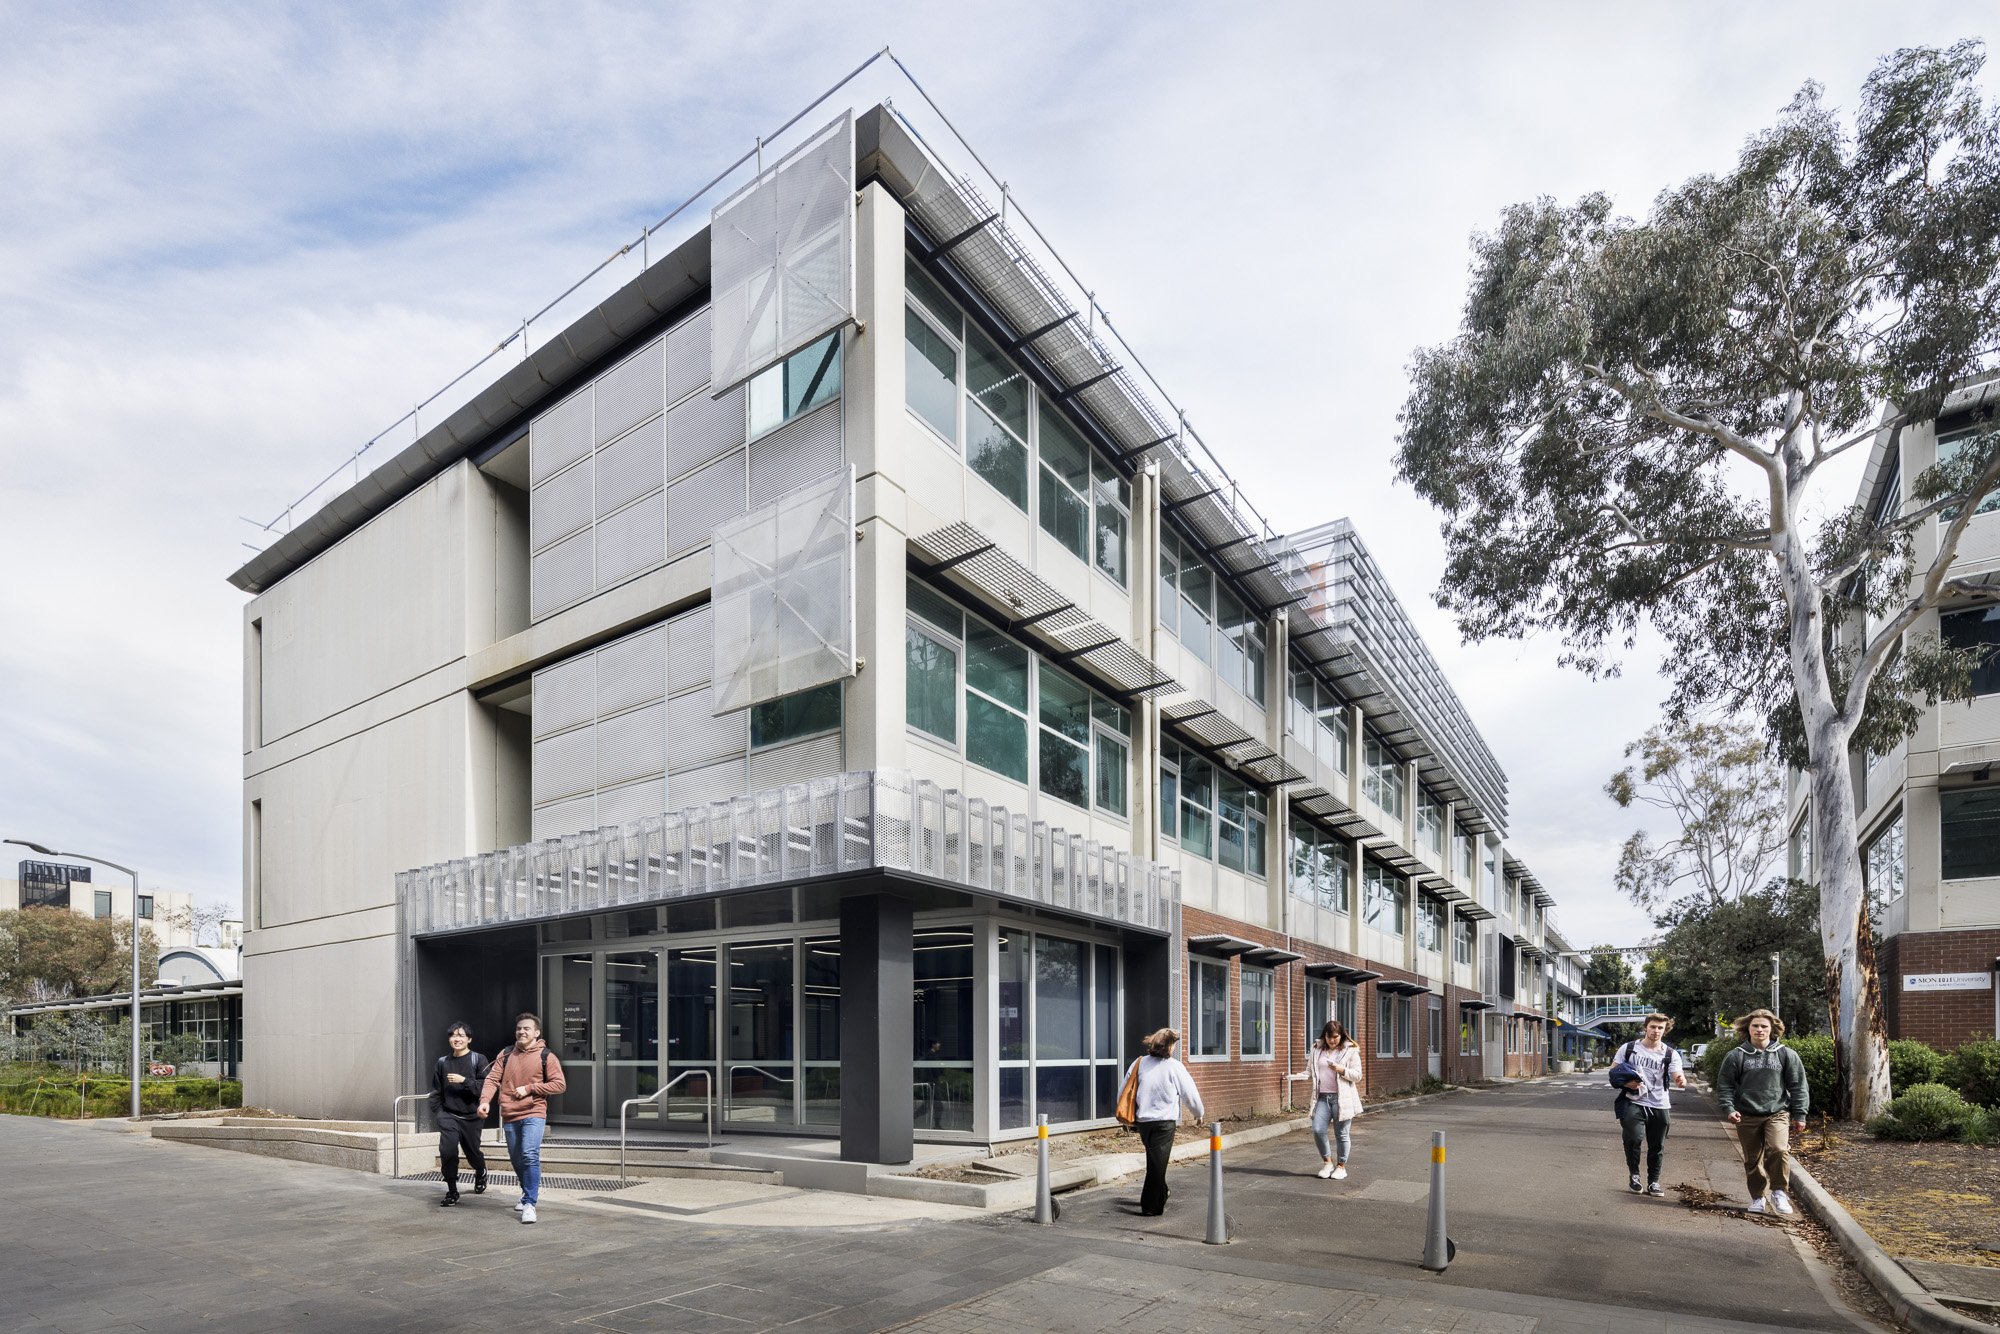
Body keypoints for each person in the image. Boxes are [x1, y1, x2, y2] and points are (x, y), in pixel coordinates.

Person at [1714, 1008, 1808, 1215]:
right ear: (1747, 1028)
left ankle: (1779, 1192)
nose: (1759, 1029)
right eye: (1755, 1025)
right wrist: (1729, 1109)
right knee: (1752, 1159)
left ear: (1772, 1029)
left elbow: (1798, 1086)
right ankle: (1758, 1197)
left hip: (1777, 1112)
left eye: (1764, 1026)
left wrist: (1800, 1114)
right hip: (1746, 1114)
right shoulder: (1736, 1056)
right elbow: (1725, 1086)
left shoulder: (1786, 1054)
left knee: (1779, 1149)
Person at [478, 1013, 566, 1225]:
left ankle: (529, 1204)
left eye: (527, 1028)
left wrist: (530, 1088)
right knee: (517, 1158)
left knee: (529, 1154)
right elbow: (492, 1079)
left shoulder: (547, 1056)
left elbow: (559, 1084)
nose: (522, 1032)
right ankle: (527, 1192)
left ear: (537, 1033)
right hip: (510, 1113)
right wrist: (485, 1101)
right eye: (519, 1028)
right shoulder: (506, 1053)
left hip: (534, 1112)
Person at [1126, 1027, 1204, 1217]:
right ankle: (1150, 1206)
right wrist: (1198, 1113)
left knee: (1155, 1161)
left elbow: (1125, 1089)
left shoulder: (1139, 1063)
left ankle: (1163, 1192)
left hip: (1144, 1123)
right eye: (1174, 1045)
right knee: (1157, 1164)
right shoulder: (1174, 1066)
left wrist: (1126, 1115)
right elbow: (1190, 1093)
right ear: (1169, 1046)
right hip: (1164, 1123)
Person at [1614, 1012, 1686, 1196]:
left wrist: (1680, 1080)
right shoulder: (1629, 1048)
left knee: (1657, 1145)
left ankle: (1654, 1181)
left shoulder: (1670, 1054)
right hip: (1633, 1101)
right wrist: (1626, 1084)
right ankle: (1634, 1175)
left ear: (1665, 1030)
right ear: (1645, 1027)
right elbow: (1612, 1072)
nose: (1656, 1031)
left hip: (1659, 1104)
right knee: (1633, 1138)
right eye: (1653, 1027)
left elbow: (1677, 1074)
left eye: (1660, 1028)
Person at [428, 1021, 489, 1207]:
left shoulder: (478, 1060)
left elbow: (485, 1088)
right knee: (447, 1151)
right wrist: (439, 1113)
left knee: (472, 1153)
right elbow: (436, 1092)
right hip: (449, 1115)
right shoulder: (442, 1062)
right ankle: (452, 1190)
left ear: (469, 1039)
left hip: (472, 1117)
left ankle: (480, 1170)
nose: (457, 1039)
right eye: (453, 1035)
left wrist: (464, 1081)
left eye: (461, 1035)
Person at [1305, 1019, 1363, 1180]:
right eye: (1329, 1037)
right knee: (1317, 1130)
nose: (1332, 1040)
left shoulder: (1350, 1051)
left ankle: (1341, 1166)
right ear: (1324, 1035)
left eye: (1335, 1037)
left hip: (1341, 1098)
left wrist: (1341, 1069)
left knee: (1341, 1134)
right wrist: (1300, 1075)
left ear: (1341, 1036)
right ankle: (1327, 1163)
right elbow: (1309, 1070)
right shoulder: (1316, 1049)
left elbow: (1358, 1075)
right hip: (1322, 1098)